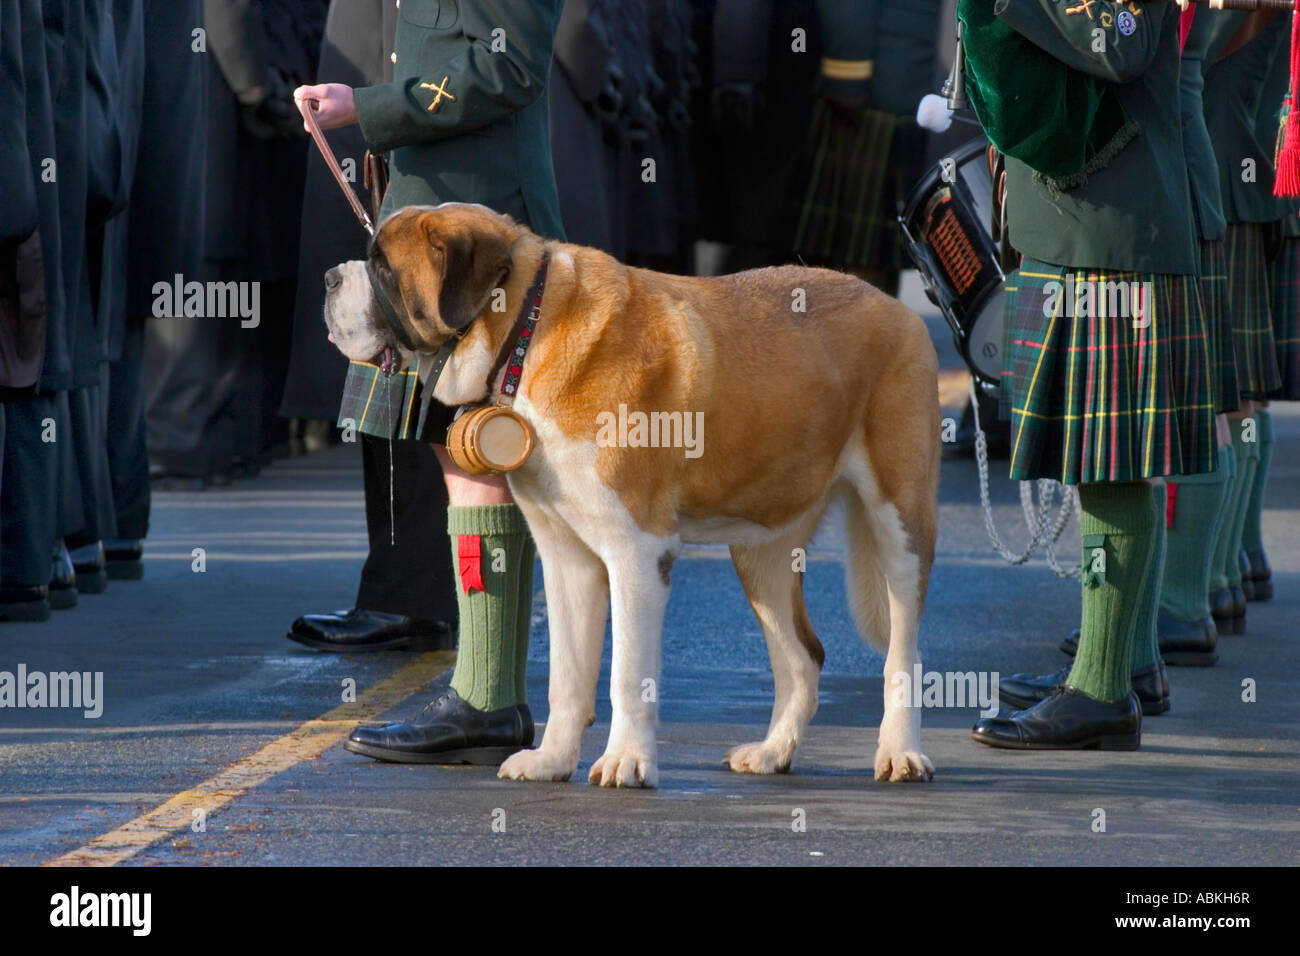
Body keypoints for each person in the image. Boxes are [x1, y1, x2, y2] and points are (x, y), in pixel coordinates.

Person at [291, 0, 567, 764]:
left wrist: (370, 107)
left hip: (476, 252)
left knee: (480, 463)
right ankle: (488, 694)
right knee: (462, 464)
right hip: (431, 240)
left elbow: (510, 66)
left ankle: (486, 698)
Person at [960, 0, 1214, 749]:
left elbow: (1123, 45)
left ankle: (1103, 690)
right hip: (1072, 227)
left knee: (1111, 468)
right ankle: (1108, 669)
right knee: (1091, 464)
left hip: (1111, 232)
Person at [282, 0, 459, 651]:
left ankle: (410, 592)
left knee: (409, 378)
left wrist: (373, 110)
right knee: (381, 372)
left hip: (399, 148)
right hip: (373, 135)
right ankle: (407, 586)